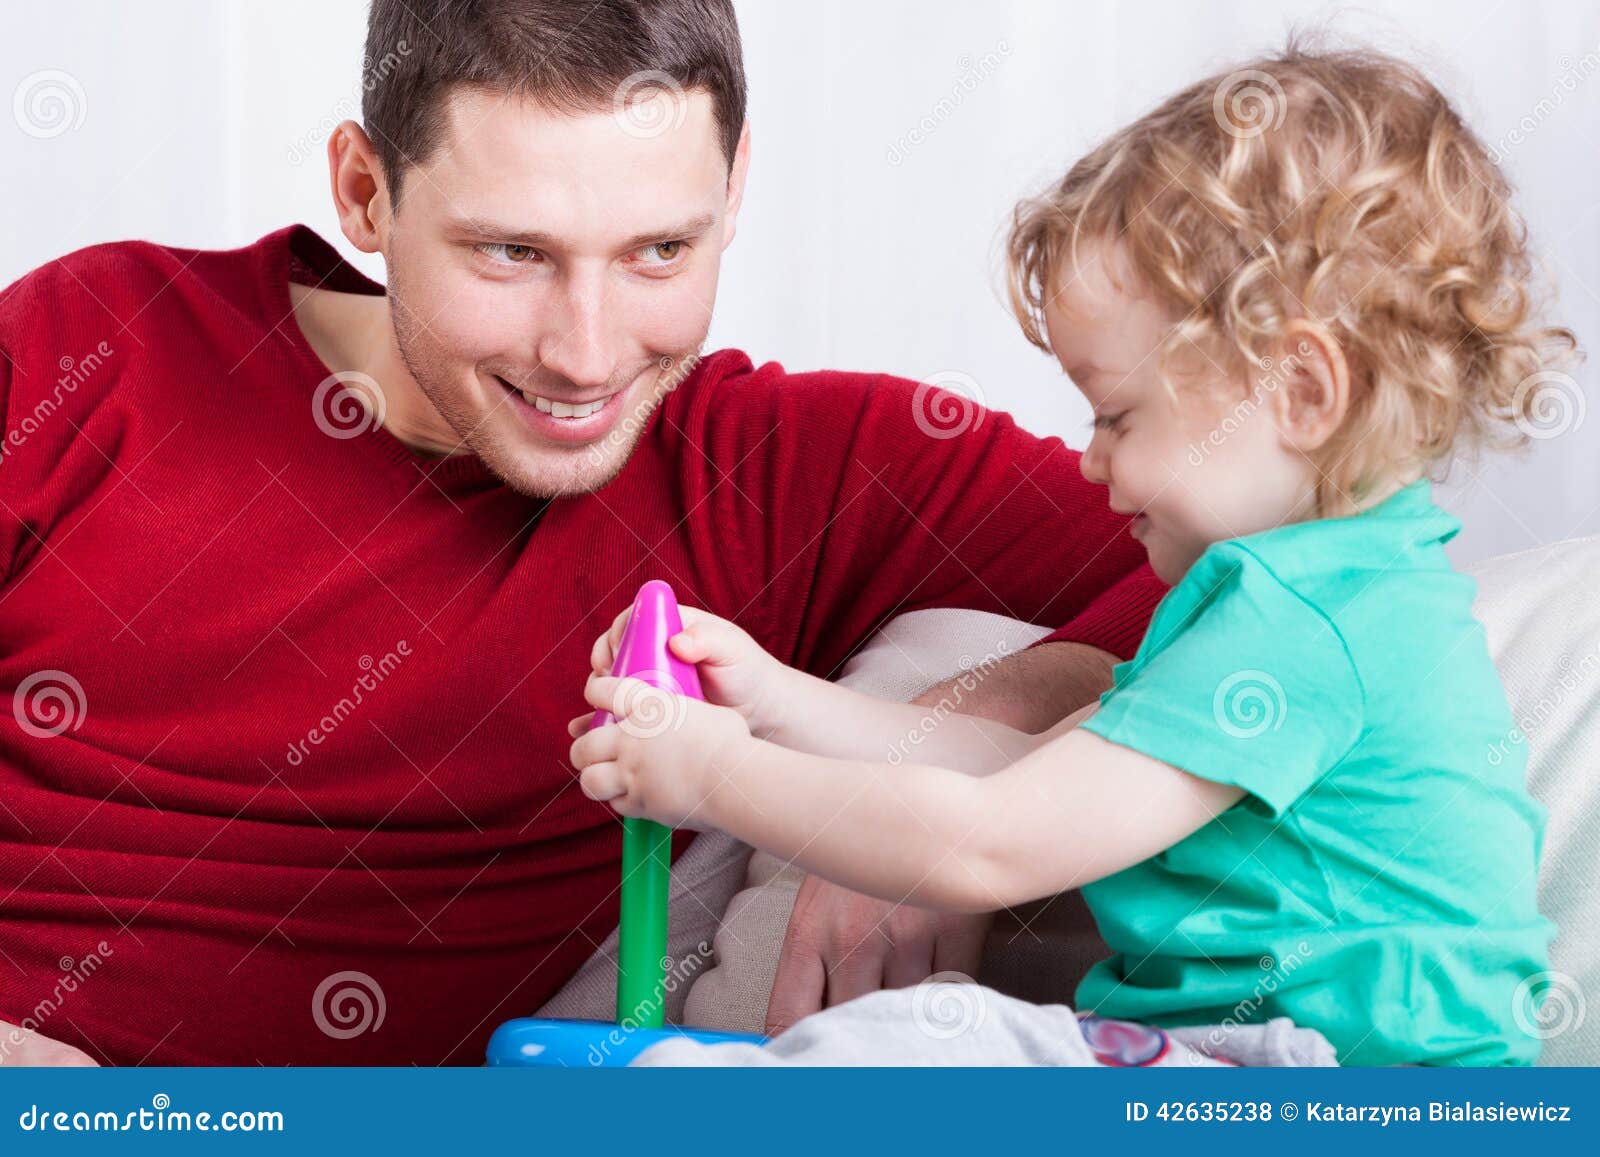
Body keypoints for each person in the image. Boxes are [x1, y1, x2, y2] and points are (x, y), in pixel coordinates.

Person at [0, 1, 1162, 1065]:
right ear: (365, 192)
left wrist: (950, 779)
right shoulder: (92, 351)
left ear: (733, 188)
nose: (586, 352)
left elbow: (1285, 575)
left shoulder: (786, 470)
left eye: (661, 249)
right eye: (512, 252)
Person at [573, 45, 1569, 1065]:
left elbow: (996, 835)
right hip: (1274, 1066)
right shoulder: (1316, 591)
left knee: (922, 1047)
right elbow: (1040, 770)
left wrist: (715, 775)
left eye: (1118, 416)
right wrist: (777, 702)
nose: (1090, 463)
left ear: (1303, 390)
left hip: (1354, 1090)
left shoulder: (1310, 621)